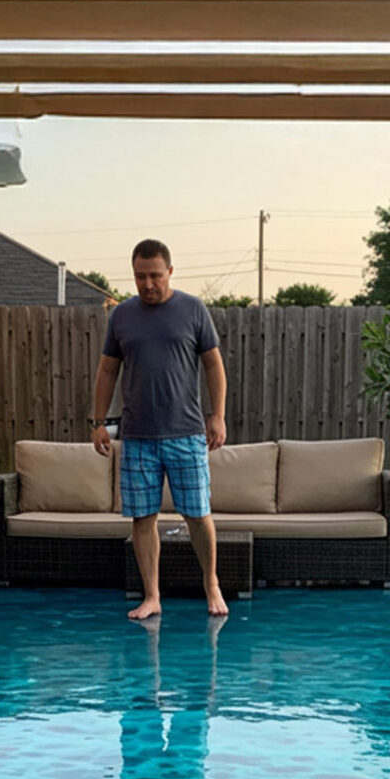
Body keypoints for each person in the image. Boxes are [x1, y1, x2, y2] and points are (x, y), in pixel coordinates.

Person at [91, 239, 228, 621]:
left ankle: (211, 583)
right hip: (137, 436)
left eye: (154, 275)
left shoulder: (193, 310)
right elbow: (107, 370)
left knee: (198, 514)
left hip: (185, 433)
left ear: (170, 271)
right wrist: (98, 422)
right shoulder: (121, 316)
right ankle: (152, 596)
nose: (147, 284)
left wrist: (217, 416)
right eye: (139, 277)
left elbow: (214, 366)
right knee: (143, 517)